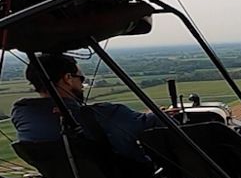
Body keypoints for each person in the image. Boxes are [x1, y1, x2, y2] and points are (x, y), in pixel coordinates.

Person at [10, 52, 160, 163]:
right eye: (81, 78)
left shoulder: (22, 114)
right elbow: (150, 123)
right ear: (67, 79)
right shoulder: (106, 113)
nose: (82, 85)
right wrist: (161, 113)